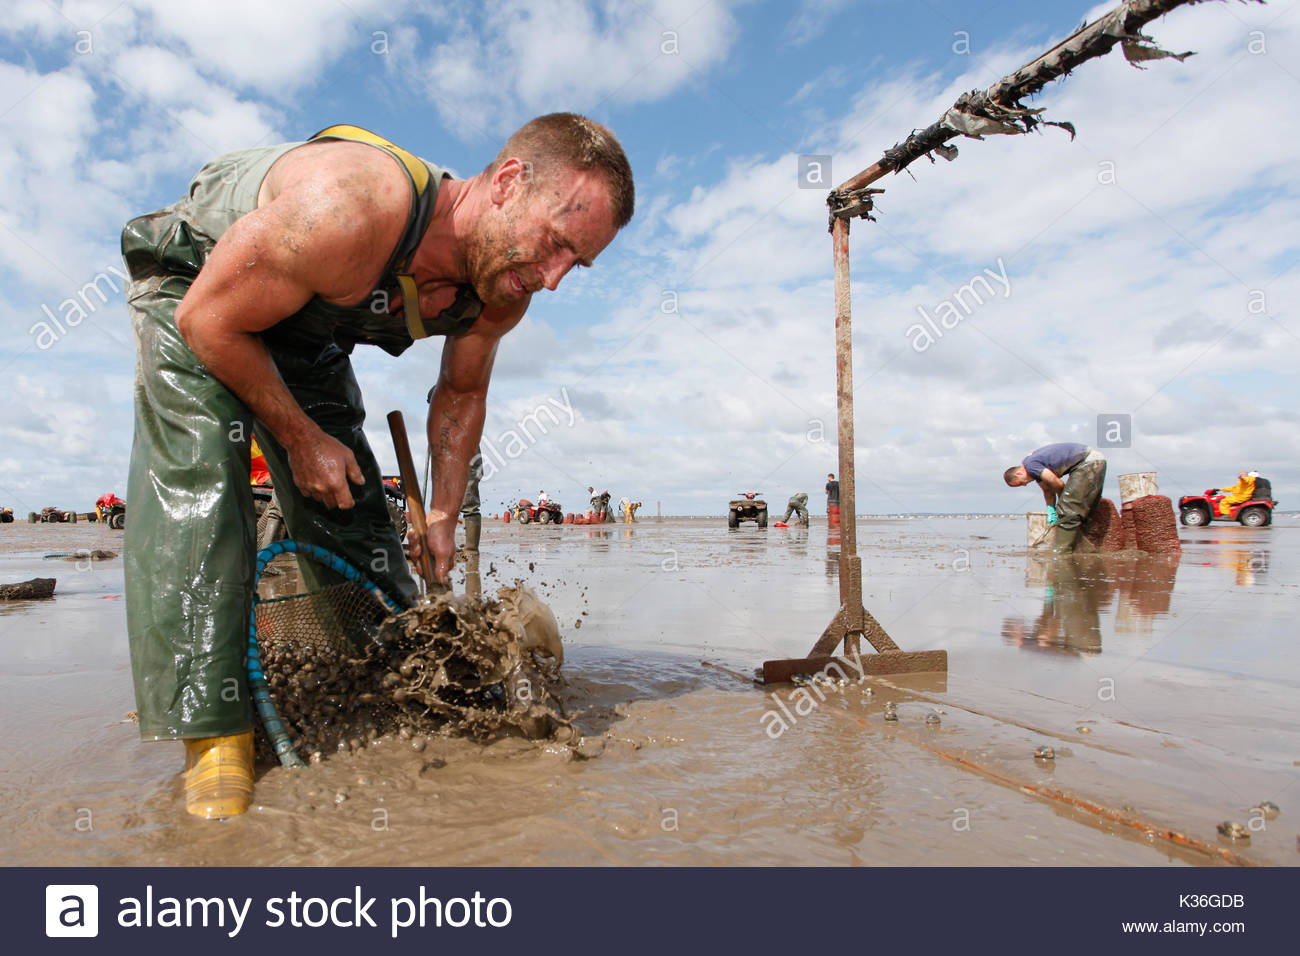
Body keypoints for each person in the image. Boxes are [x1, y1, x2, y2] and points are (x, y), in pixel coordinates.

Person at [121, 114, 633, 819]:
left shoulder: (503, 288)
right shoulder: (352, 209)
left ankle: (379, 677)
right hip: (202, 290)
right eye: (556, 245)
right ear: (509, 183)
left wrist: (445, 513)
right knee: (205, 476)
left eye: (578, 263)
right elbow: (211, 322)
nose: (552, 279)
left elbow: (460, 394)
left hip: (301, 328)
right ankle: (213, 732)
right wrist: (299, 440)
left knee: (353, 511)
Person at [1004, 442, 1106, 552]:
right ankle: (1082, 549)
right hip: (1091, 461)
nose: (1024, 484)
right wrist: (1051, 511)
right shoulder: (1034, 469)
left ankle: (1061, 552)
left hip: (1089, 461)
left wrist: (1063, 503)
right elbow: (1048, 490)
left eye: (1020, 483)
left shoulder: (1031, 466)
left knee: (1068, 510)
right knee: (1080, 511)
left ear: (1019, 474)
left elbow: (1057, 483)